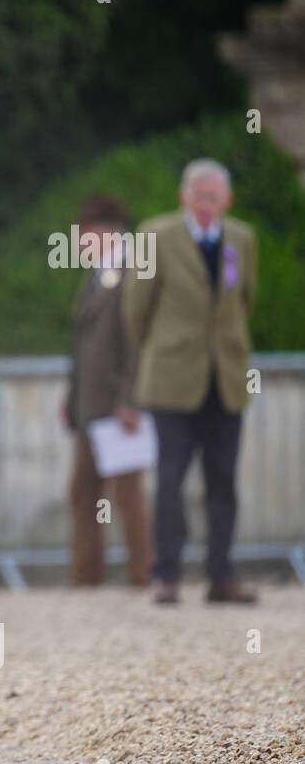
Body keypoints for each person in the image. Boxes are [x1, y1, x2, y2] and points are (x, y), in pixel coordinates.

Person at [122, 159, 258, 605]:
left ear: (226, 201)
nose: (205, 204)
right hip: (171, 380)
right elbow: (135, 310)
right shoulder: (155, 236)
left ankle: (221, 577)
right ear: (184, 197)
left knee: (223, 482)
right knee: (171, 480)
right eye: (199, 196)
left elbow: (245, 301)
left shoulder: (242, 239)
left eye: (213, 197)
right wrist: (151, 359)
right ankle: (167, 576)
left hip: (226, 380)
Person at [63, 195, 153, 587]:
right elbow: (83, 346)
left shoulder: (133, 271)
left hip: (118, 406)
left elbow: (139, 342)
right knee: (83, 493)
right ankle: (87, 577)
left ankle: (144, 575)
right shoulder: (100, 272)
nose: (81, 241)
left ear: (105, 232)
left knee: (128, 496)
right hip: (91, 406)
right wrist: (71, 398)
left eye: (86, 233)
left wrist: (130, 401)